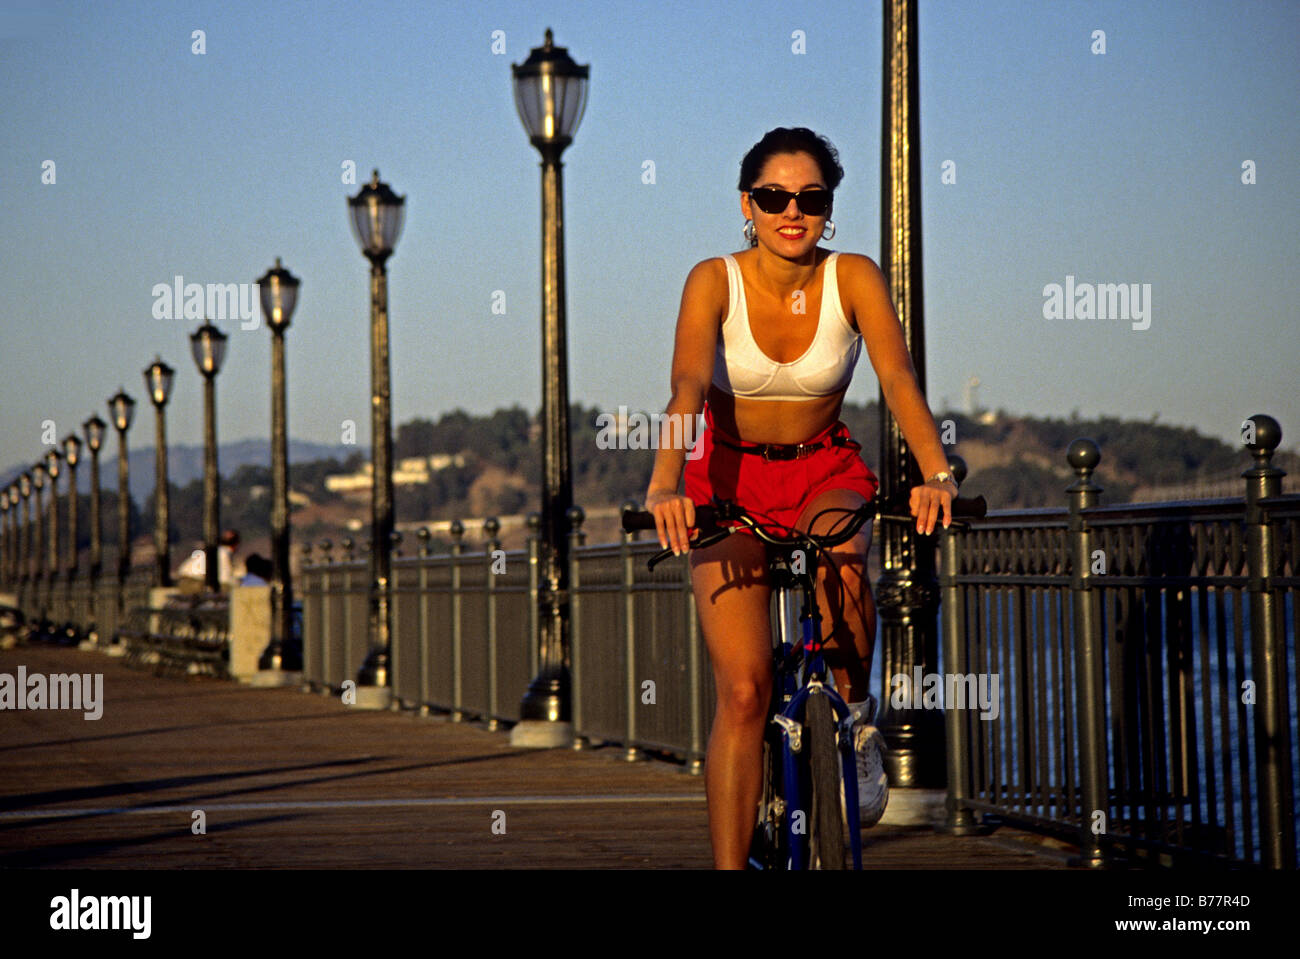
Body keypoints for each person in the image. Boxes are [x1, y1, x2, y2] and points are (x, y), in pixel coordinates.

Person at [644, 127, 958, 869]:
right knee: (747, 692)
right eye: (776, 197)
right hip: (725, 475)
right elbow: (688, 385)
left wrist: (936, 472)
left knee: (844, 551)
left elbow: (899, 379)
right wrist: (664, 480)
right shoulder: (712, 279)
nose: (794, 211)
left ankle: (852, 716)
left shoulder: (853, 276)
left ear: (828, 207)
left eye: (811, 198)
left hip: (822, 468)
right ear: (747, 203)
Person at [175, 528, 242, 591]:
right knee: (227, 588)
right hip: (192, 582)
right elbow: (225, 578)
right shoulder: (223, 552)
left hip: (185, 581)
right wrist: (240, 583)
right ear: (236, 544)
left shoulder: (216, 550)